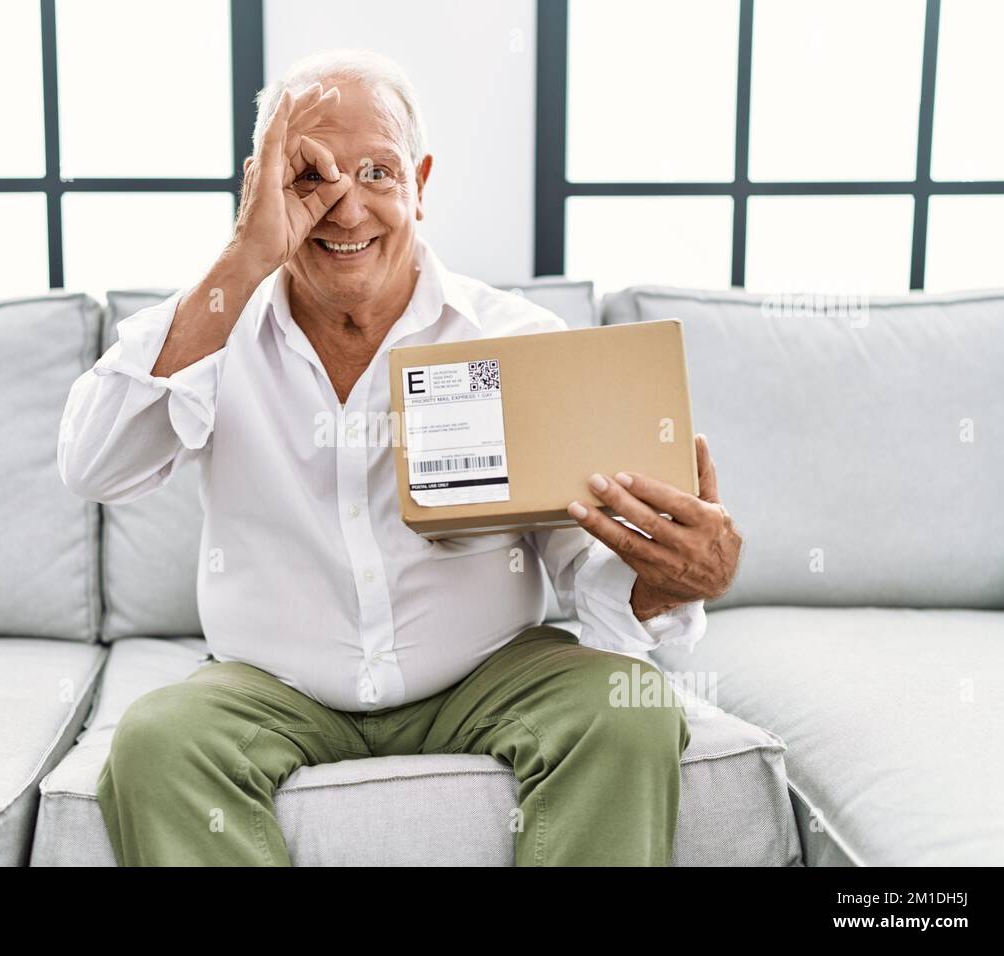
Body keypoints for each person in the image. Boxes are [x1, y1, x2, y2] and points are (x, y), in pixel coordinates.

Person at [57, 49, 742, 866]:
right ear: (262, 187)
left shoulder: (512, 338)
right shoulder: (214, 328)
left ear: (420, 182)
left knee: (626, 711)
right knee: (156, 742)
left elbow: (584, 561)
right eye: (311, 177)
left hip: (489, 673)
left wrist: (660, 583)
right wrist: (246, 256)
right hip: (273, 687)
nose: (345, 211)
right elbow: (92, 465)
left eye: (376, 171)